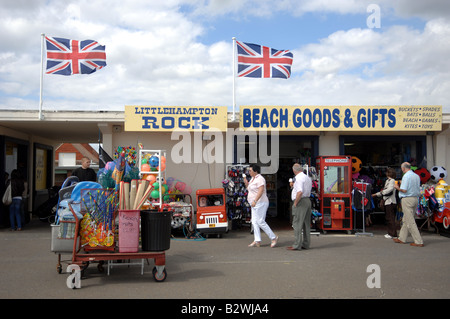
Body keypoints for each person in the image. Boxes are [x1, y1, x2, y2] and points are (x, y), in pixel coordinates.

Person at [244, 164, 278, 248]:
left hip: (260, 202)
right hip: (254, 203)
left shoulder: (260, 179)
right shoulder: (252, 179)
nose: (249, 172)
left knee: (260, 221)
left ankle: (273, 237)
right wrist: (246, 182)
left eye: (250, 170)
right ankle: (257, 240)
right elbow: (249, 189)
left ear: (255, 171)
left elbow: (261, 190)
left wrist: (255, 200)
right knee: (254, 221)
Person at [393, 162, 424, 247]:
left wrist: (397, 187)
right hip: (415, 198)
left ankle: (418, 241)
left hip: (407, 199)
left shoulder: (406, 176)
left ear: (403, 168)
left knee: (410, 220)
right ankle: (402, 238)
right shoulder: (416, 176)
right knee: (406, 219)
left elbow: (404, 190)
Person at [287, 163, 312, 251]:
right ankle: (306, 243)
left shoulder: (298, 178)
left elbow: (300, 191)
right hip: (307, 200)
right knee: (306, 223)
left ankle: (297, 244)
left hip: (300, 201)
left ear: (294, 170)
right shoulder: (307, 177)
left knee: (297, 223)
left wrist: (295, 203)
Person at [372, 168, 398, 239]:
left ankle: (393, 234)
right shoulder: (388, 181)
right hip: (388, 201)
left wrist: (378, 194)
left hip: (390, 201)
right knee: (389, 218)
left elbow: (389, 190)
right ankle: (391, 232)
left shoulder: (392, 181)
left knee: (390, 218)